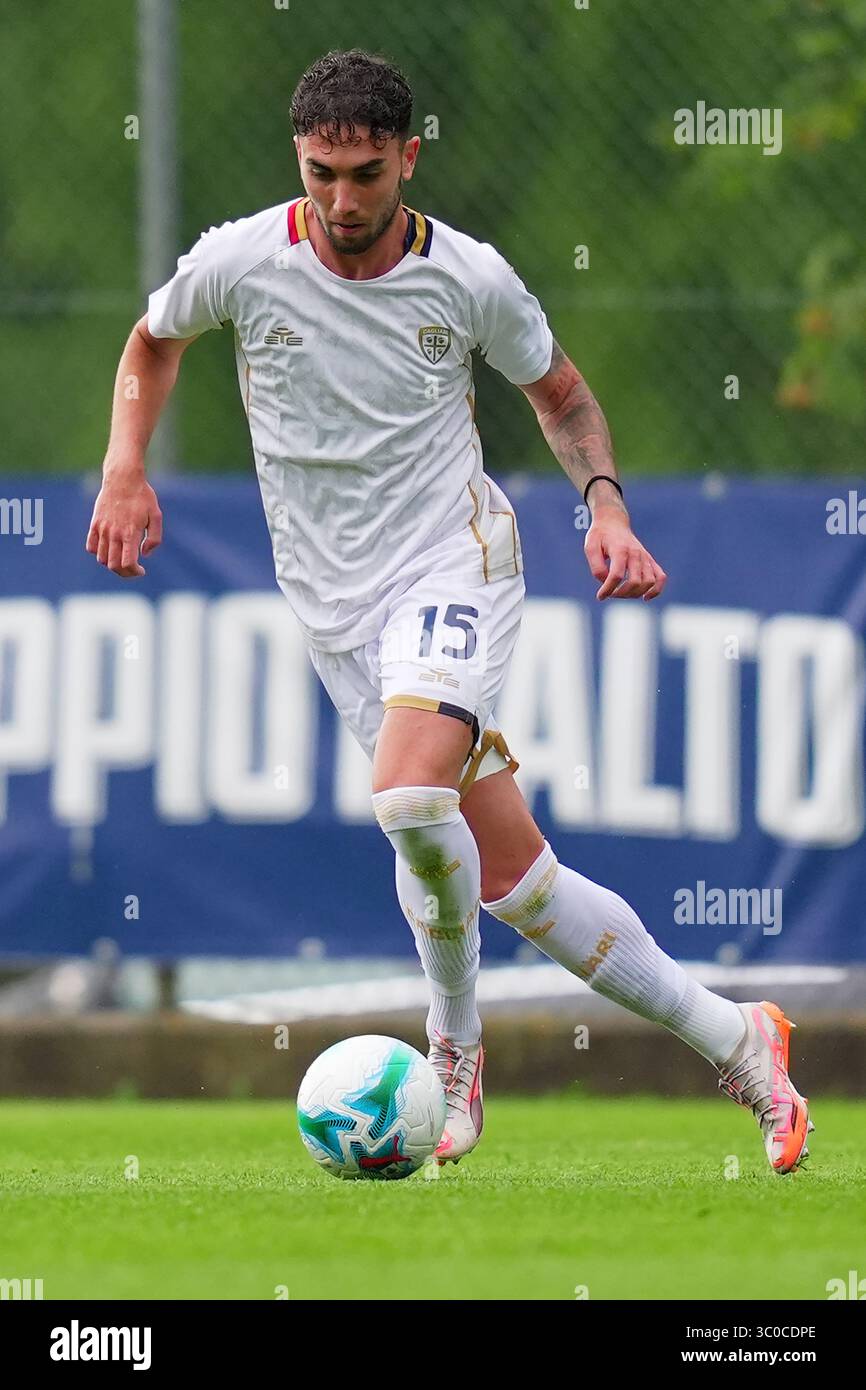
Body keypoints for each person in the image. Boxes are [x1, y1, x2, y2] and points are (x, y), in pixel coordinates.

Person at [86, 48, 811, 1173]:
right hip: (333, 610)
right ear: (300, 159)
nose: (340, 200)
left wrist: (604, 511)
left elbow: (559, 394)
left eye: (364, 173)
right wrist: (124, 467)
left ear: (407, 158)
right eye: (320, 172)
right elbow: (151, 342)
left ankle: (453, 1051)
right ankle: (742, 1042)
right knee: (522, 886)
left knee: (409, 792)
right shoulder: (242, 259)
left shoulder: (466, 278)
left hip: (453, 561)